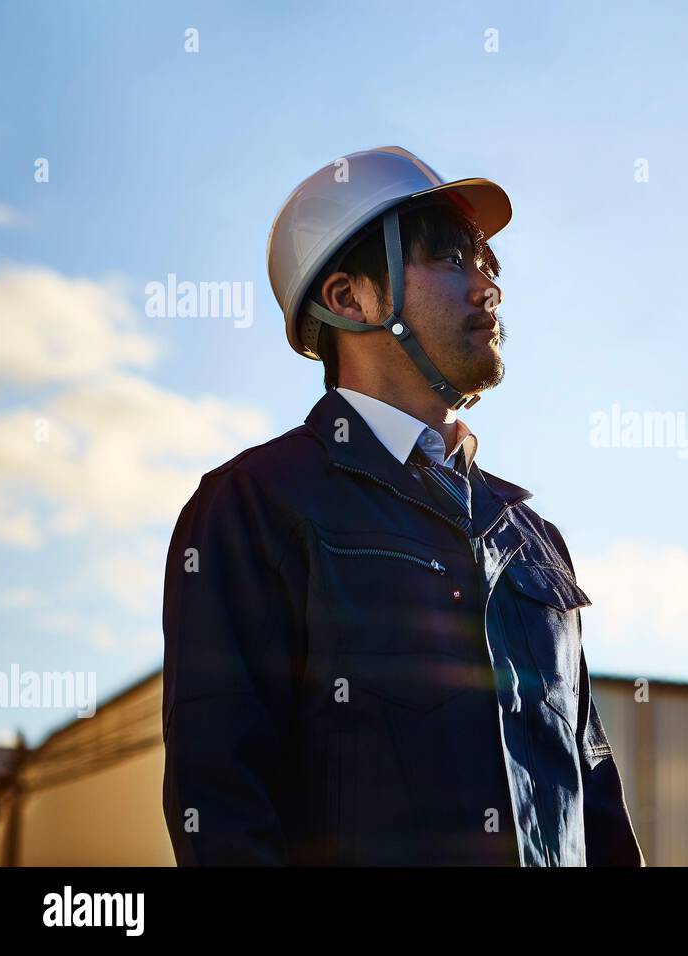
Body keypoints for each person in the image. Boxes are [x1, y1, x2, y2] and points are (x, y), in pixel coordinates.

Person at [160, 146, 644, 866]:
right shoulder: (256, 506)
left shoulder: (533, 540)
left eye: (488, 265)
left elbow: (593, 796)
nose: (488, 289)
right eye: (452, 260)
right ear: (348, 298)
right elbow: (220, 807)